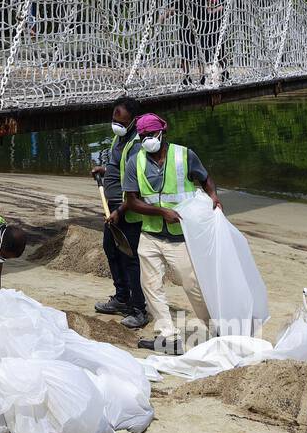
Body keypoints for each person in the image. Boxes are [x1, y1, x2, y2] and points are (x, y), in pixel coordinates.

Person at [118, 112, 222, 354]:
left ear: (162, 133)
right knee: (151, 286)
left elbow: (205, 179)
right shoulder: (136, 161)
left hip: (181, 237)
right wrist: (161, 212)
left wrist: (214, 196)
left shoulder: (184, 155)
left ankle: (216, 330)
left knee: (192, 284)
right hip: (151, 234)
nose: (146, 140)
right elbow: (132, 201)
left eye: (151, 135)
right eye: (142, 136)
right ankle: (168, 337)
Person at [91, 95, 149, 328]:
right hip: (113, 205)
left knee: (129, 257)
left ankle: (138, 309)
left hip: (127, 208)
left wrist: (120, 210)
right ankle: (122, 297)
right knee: (111, 249)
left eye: (122, 122)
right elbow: (119, 166)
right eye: (115, 118)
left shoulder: (137, 145)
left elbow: (136, 187)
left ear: (134, 121)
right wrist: (105, 170)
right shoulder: (120, 139)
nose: (117, 124)